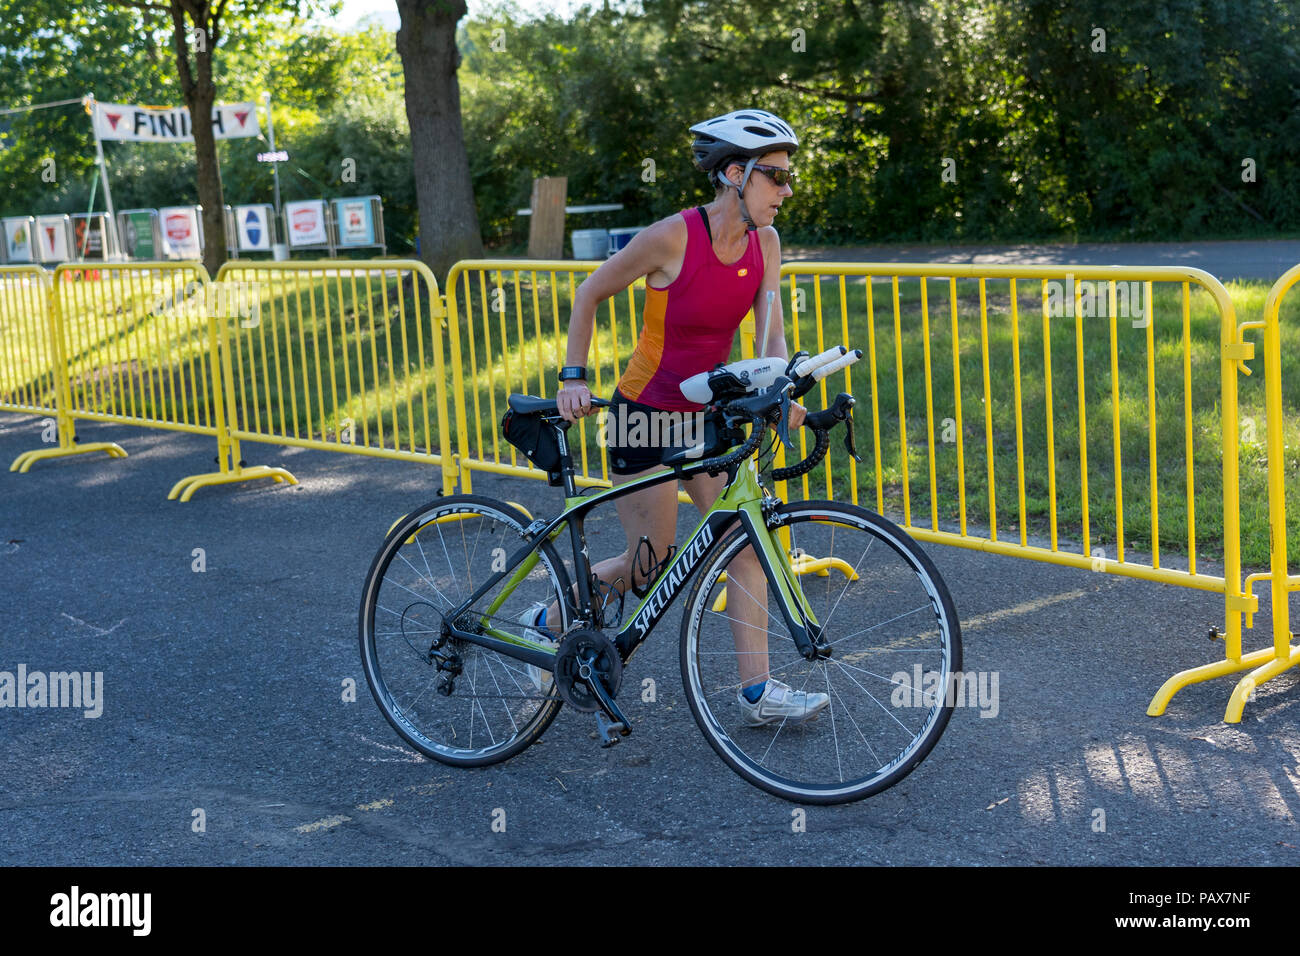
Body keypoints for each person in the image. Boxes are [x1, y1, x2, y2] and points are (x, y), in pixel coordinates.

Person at [521, 109, 829, 726]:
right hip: (646, 416)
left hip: (707, 415)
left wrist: (780, 389)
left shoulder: (766, 243)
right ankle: (546, 620)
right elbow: (590, 293)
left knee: (744, 542)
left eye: (790, 178)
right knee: (651, 565)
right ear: (735, 175)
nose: (787, 191)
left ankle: (757, 692)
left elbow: (770, 333)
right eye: (776, 177)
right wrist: (573, 378)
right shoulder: (672, 238)